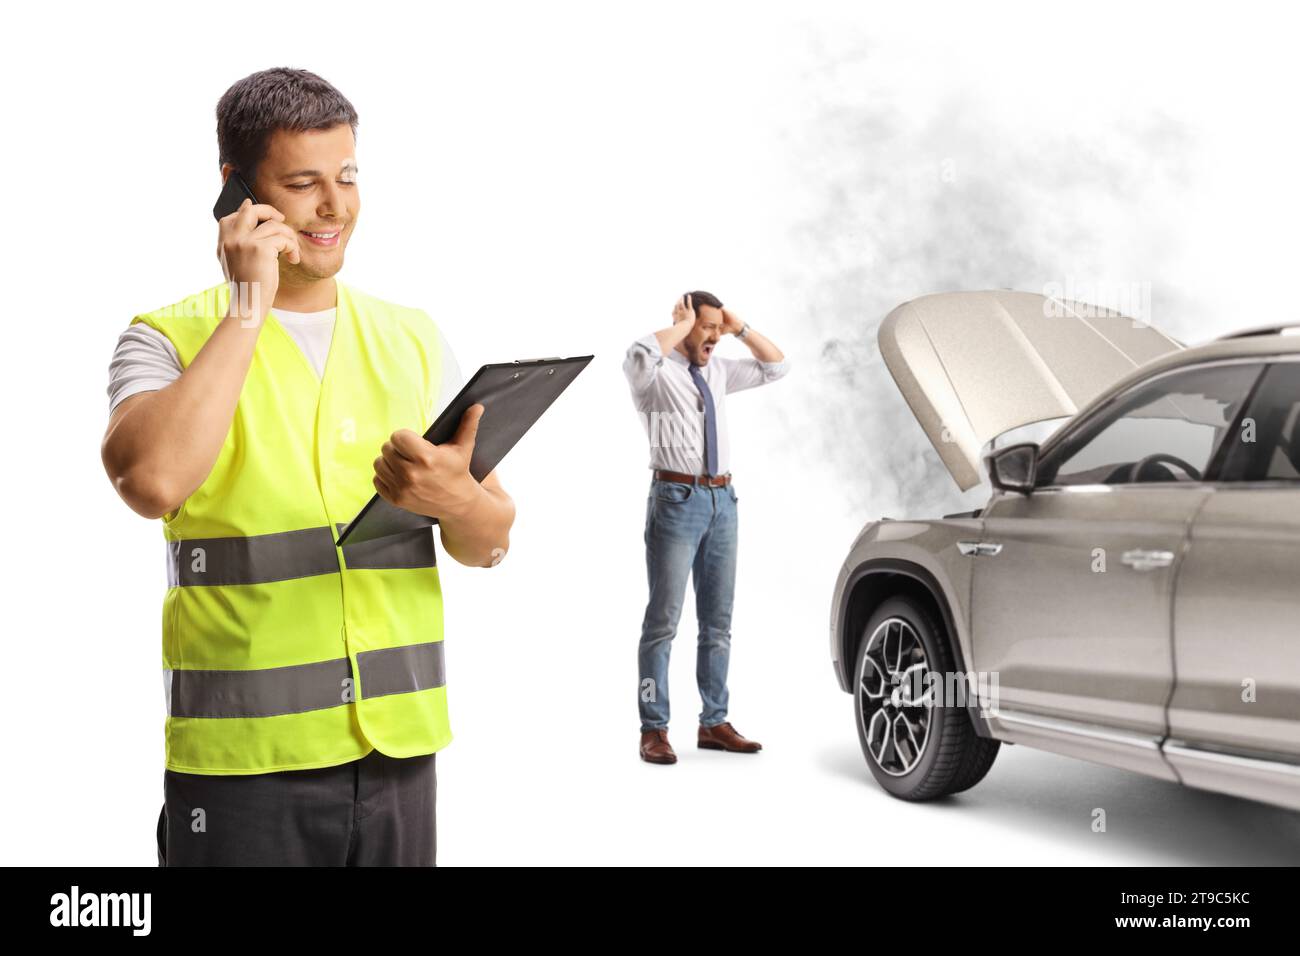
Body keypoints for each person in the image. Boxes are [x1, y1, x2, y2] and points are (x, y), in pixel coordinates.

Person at [100, 67, 515, 866]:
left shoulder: (412, 336)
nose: (334, 208)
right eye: (303, 183)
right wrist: (247, 306)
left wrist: (454, 502)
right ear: (236, 191)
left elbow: (493, 539)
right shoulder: (167, 337)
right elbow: (150, 482)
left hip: (398, 759)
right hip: (243, 772)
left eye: (348, 177)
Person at [622, 291, 790, 764]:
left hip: (723, 501)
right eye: (706, 326)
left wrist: (738, 328)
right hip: (675, 501)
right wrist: (681, 326)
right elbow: (637, 354)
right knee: (662, 623)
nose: (714, 336)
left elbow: (777, 367)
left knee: (718, 624)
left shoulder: (717, 369)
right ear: (684, 323)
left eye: (718, 327)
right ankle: (653, 728)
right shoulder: (654, 375)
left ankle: (714, 722)